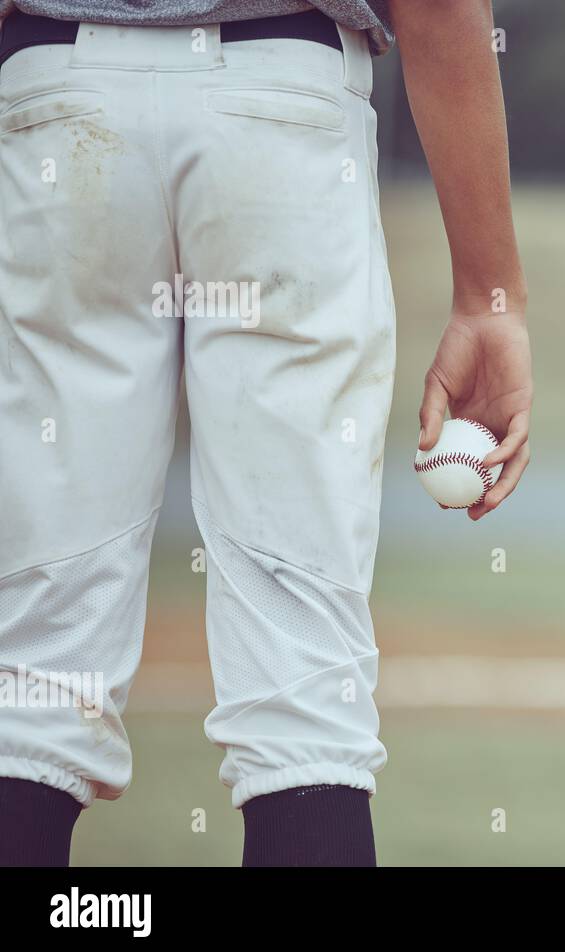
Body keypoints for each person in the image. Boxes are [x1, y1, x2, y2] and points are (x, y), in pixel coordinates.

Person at [0, 1, 532, 866]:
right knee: (302, 683)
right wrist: (487, 292)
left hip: (56, 98)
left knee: (29, 680)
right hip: (277, 103)